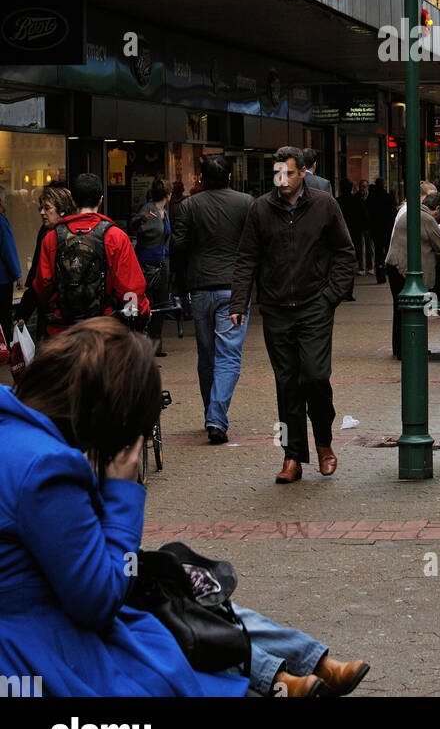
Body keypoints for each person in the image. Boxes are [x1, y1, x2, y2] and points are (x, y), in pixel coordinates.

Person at [0, 319, 369, 697]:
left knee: (172, 583)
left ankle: (297, 666)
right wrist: (123, 492)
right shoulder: (47, 468)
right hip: (38, 649)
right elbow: (99, 598)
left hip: (42, 624)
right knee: (169, 609)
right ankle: (279, 677)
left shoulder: (13, 430)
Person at [230, 146, 355, 484]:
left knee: (314, 377)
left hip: (315, 305)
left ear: (303, 173)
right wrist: (238, 303)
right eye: (277, 174)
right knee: (286, 386)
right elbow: (246, 259)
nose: (282, 180)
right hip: (275, 309)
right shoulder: (260, 209)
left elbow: (345, 254)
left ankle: (324, 443)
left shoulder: (324, 205)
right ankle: (292, 456)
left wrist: (331, 296)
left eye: (288, 173)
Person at [170, 156, 253, 444]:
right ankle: (215, 418)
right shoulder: (246, 203)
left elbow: (178, 246)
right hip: (235, 289)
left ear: (201, 178)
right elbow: (257, 244)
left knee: (206, 355)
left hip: (201, 287)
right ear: (230, 176)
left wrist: (181, 279)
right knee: (229, 354)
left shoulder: (189, 206)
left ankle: (212, 413)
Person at [32, 172, 149, 334]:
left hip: (63, 333)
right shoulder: (115, 237)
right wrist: (140, 314)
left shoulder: (52, 238)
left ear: (73, 201)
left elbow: (42, 286)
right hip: (103, 331)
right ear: (101, 199)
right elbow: (130, 288)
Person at [385, 191, 440, 359]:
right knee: (413, 310)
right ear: (435, 208)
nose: (438, 216)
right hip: (406, 270)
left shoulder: (410, 212)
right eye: (439, 213)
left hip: (394, 265)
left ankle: (399, 348)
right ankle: (411, 349)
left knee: (399, 310)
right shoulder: (427, 218)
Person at [12, 185, 76, 345]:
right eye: (41, 208)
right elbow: (36, 274)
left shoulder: (63, 235)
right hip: (52, 313)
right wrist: (24, 311)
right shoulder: (45, 231)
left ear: (62, 210)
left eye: (47, 208)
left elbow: (41, 280)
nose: (41, 212)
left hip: (60, 315)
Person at [131, 178, 173, 358]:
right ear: (168, 195)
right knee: (147, 304)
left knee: (161, 305)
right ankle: (144, 344)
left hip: (162, 263)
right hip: (146, 263)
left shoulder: (165, 212)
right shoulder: (148, 209)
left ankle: (156, 345)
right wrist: (141, 219)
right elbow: (134, 226)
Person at [0, 186, 23, 346]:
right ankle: (4, 347)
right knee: (3, 315)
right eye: (5, 200)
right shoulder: (1, 222)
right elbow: (8, 249)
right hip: (2, 279)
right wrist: (18, 274)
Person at [368, 177, 397, 284]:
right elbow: (393, 211)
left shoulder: (372, 197)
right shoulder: (388, 196)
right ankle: (387, 271)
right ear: (384, 185)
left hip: (376, 228)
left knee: (378, 251)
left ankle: (380, 275)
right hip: (387, 228)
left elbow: (369, 211)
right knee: (387, 250)